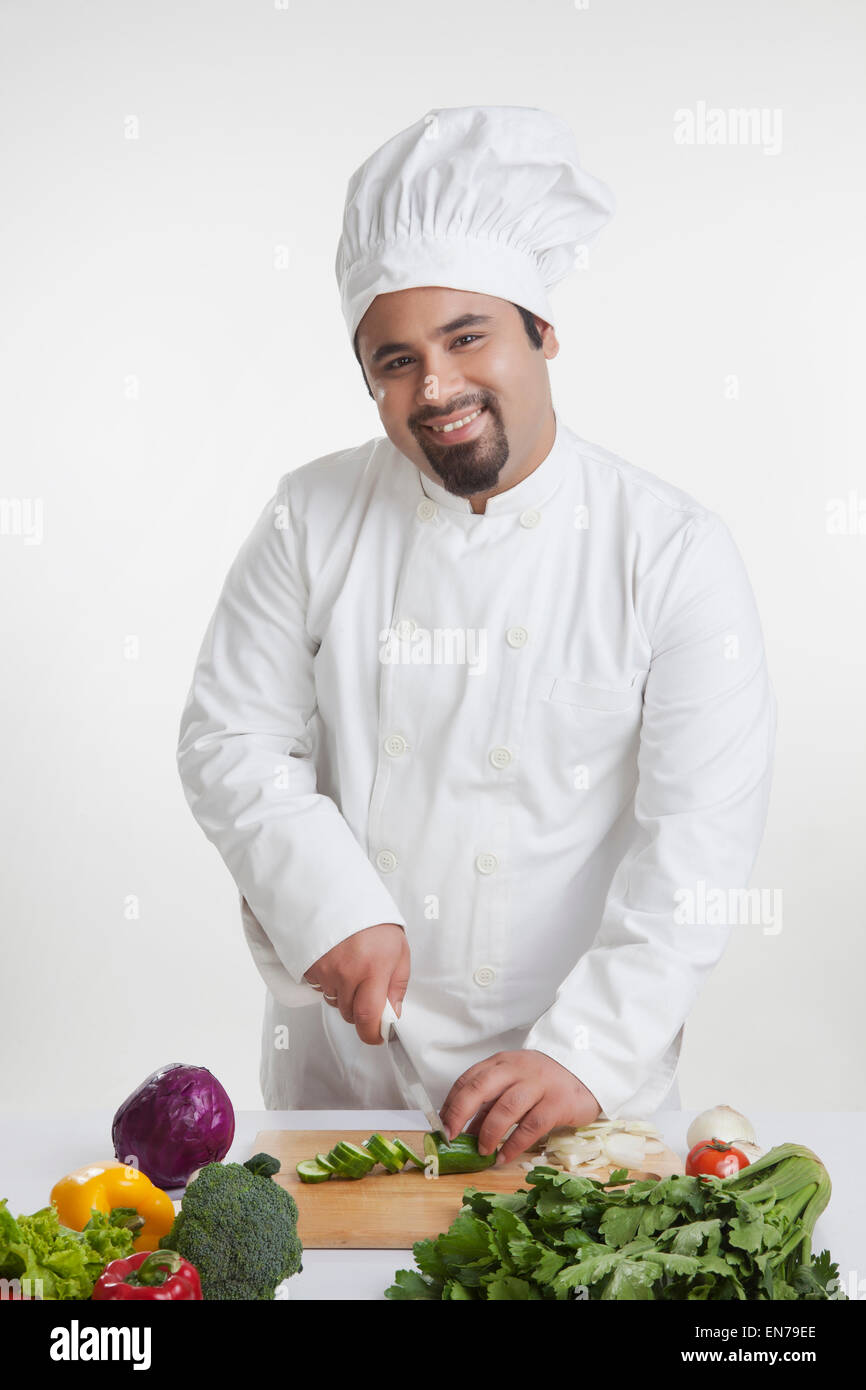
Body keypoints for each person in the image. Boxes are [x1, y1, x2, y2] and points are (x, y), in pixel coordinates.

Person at [176, 106, 776, 1166]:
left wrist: (588, 1050)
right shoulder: (307, 516)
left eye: (467, 337)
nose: (436, 388)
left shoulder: (671, 549)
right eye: (394, 360)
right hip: (349, 1082)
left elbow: (696, 845)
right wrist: (330, 903)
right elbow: (230, 739)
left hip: (579, 1092)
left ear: (542, 331)